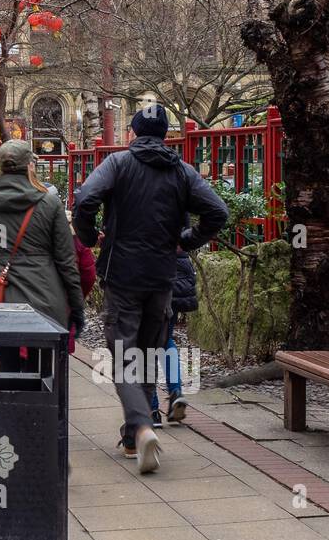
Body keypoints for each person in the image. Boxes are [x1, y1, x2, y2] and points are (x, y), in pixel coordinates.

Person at [73, 104, 228, 474]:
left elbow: (85, 198)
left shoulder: (118, 164)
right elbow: (218, 212)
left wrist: (90, 236)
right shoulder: (181, 170)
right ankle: (132, 438)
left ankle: (141, 427)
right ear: (164, 135)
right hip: (162, 275)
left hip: (121, 273)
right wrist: (186, 240)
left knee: (124, 355)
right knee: (148, 352)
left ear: (133, 134)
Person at [0, 140, 86, 373]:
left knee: (8, 367)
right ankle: (39, 407)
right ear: (30, 166)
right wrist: (76, 305)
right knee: (43, 370)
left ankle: (12, 403)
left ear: (0, 166)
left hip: (2, 294)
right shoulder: (49, 202)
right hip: (44, 294)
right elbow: (66, 261)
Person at [151, 246, 197, 426]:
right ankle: (176, 392)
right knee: (166, 340)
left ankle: (152, 409)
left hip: (151, 286)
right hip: (175, 288)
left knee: (145, 346)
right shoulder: (177, 220)